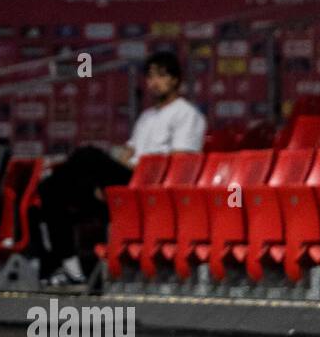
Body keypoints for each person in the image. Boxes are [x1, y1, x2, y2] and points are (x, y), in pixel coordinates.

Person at [41, 50, 206, 285]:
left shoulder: (187, 114)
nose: (154, 83)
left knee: (88, 155)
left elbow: (180, 163)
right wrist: (102, 182)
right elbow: (127, 154)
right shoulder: (147, 116)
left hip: (152, 187)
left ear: (176, 80)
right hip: (127, 183)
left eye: (161, 76)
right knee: (49, 189)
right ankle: (71, 269)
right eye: (150, 77)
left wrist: (115, 174)